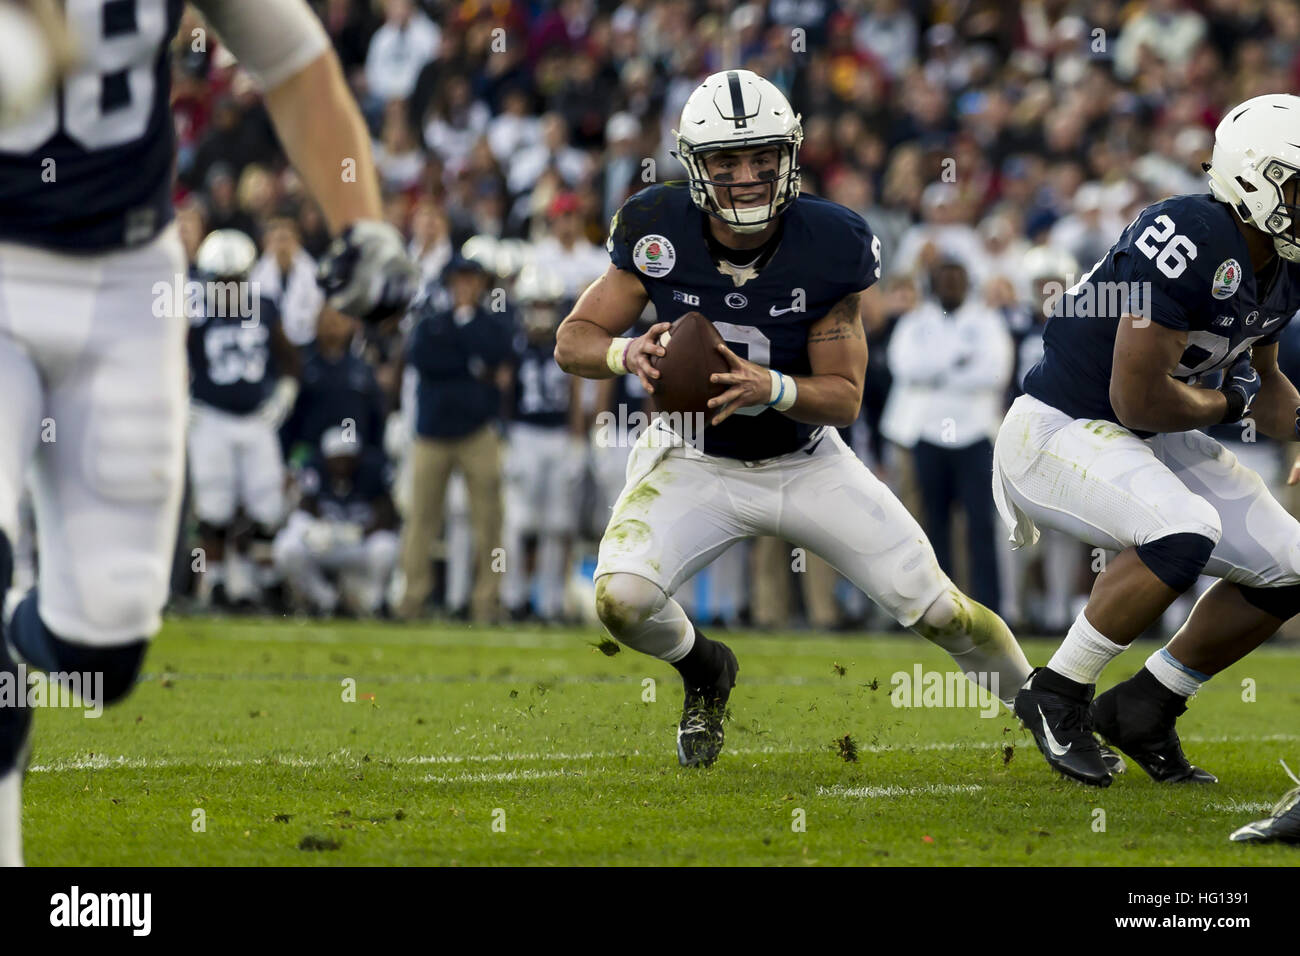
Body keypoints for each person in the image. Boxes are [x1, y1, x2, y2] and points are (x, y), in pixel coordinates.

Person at [0, 0, 415, 866]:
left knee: (99, 653)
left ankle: (17, 624)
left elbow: (294, 62)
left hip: (126, 279)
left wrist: (362, 222)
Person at [554, 70, 1035, 768]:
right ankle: (704, 670)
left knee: (941, 611)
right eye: (726, 160)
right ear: (696, 164)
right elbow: (574, 339)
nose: (747, 176)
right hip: (692, 456)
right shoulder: (654, 226)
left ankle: (1050, 714)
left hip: (806, 461)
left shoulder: (831, 240)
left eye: (762, 158)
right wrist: (629, 352)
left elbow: (843, 397)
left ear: (790, 157)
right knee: (622, 600)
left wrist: (770, 386)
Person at [993, 94, 1300, 788]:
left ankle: (1147, 704)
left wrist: (1278, 411)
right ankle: (1058, 692)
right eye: (1298, 186)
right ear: (1254, 178)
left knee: (1292, 564)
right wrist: (1230, 401)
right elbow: (1137, 394)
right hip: (1062, 426)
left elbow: (1270, 383)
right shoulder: (1188, 231)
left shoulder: (1283, 261)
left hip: (1148, 436)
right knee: (1183, 529)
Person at [885, 257, 1012, 614]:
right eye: (944, 280)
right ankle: (938, 606)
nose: (951, 286)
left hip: (976, 434)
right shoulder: (915, 322)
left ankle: (990, 607)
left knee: (980, 524)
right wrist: (958, 361)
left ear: (967, 283)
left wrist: (936, 371)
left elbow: (994, 373)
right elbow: (904, 367)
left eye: (958, 280)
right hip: (926, 434)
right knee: (931, 525)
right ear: (932, 284)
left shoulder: (987, 322)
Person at [187, 229, 301, 608]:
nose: (227, 287)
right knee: (214, 504)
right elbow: (169, 359)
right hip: (211, 417)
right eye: (221, 280)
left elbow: (288, 358)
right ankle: (216, 583)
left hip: (255, 419)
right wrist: (183, 400)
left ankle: (265, 581)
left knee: (266, 504)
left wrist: (284, 395)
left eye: (234, 279)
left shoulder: (265, 306)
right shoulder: (194, 311)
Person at [397, 256, 514, 623]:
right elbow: (423, 358)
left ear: (479, 284)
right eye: (459, 280)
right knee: (421, 519)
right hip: (432, 433)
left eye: (470, 280)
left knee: (489, 520)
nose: (464, 287)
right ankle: (412, 599)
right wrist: (472, 366)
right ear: (449, 284)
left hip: (477, 431)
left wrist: (465, 353)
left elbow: (499, 355)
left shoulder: (491, 325)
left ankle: (486, 602)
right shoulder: (431, 323)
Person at [501, 267, 584, 623]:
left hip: (557, 435)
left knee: (557, 523)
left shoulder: (567, 343)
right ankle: (513, 596)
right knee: (518, 522)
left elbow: (577, 392)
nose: (540, 311)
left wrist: (578, 438)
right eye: (535, 303)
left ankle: (550, 601)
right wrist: (504, 437)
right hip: (523, 434)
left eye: (547, 304)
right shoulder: (513, 344)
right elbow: (503, 392)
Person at [273, 428, 399, 616]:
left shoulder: (371, 474)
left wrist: (358, 532)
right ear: (327, 459)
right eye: (337, 459)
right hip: (326, 544)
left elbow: (389, 517)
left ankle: (376, 602)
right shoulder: (316, 473)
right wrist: (318, 529)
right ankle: (325, 600)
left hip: (359, 545)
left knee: (386, 547)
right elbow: (304, 512)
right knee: (287, 547)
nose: (342, 465)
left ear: (357, 458)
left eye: (347, 458)